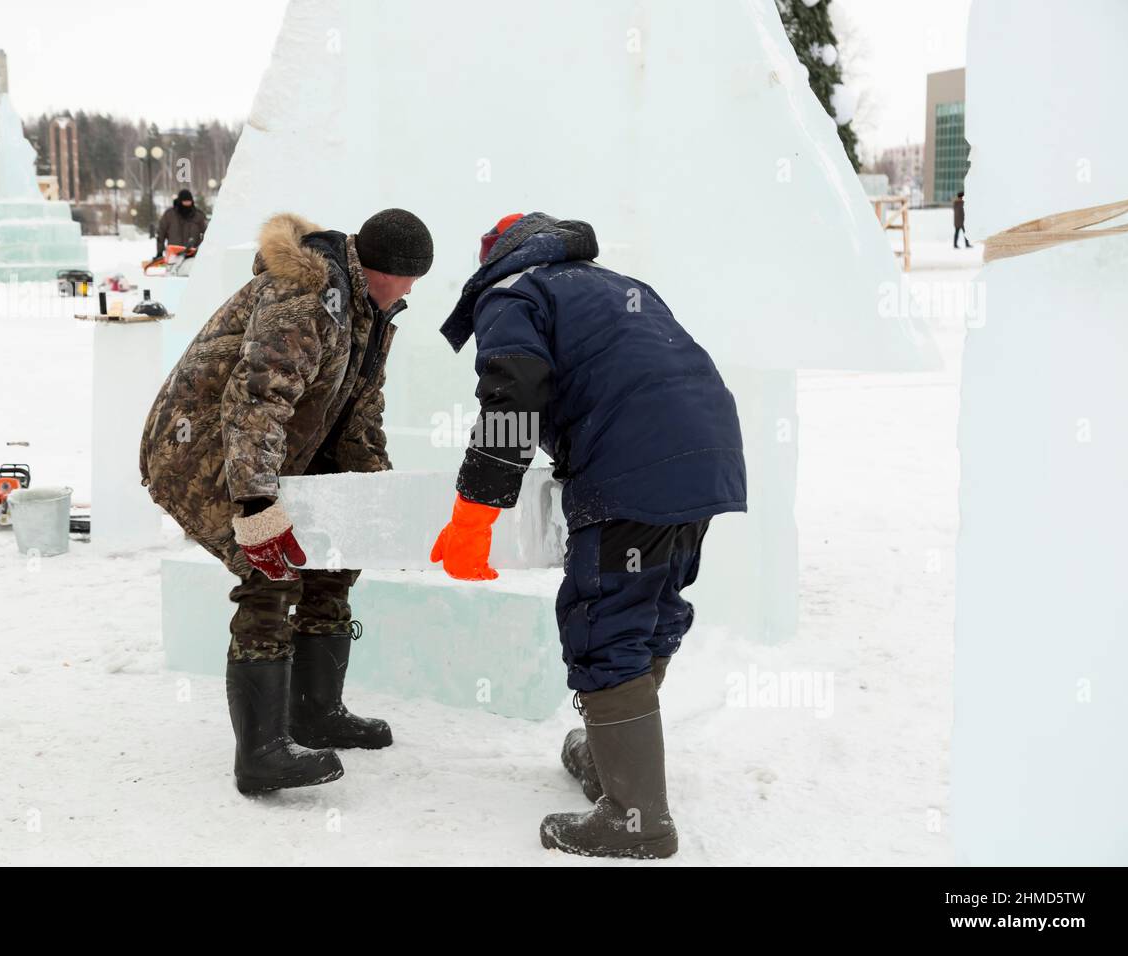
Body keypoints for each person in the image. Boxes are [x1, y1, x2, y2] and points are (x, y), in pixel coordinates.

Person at [430, 213, 746, 859]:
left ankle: (637, 821)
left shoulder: (514, 292)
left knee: (605, 621)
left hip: (633, 464)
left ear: (496, 258)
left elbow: (513, 400)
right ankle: (614, 768)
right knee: (650, 611)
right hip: (706, 454)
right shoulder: (613, 285)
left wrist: (474, 513)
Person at [140, 209, 433, 794]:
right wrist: (254, 505)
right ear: (382, 271)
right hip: (205, 448)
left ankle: (315, 714)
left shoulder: (368, 310)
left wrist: (377, 500)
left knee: (333, 555)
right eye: (407, 280)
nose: (410, 292)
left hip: (273, 453)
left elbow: (358, 415)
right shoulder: (306, 296)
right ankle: (261, 754)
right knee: (271, 571)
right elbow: (258, 400)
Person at [155, 188, 208, 259]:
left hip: (194, 254)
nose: (187, 203)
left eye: (189, 201)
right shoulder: (169, 215)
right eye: (185, 201)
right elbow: (161, 234)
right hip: (174, 255)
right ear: (180, 201)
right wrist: (160, 251)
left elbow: (207, 234)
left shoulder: (199, 216)